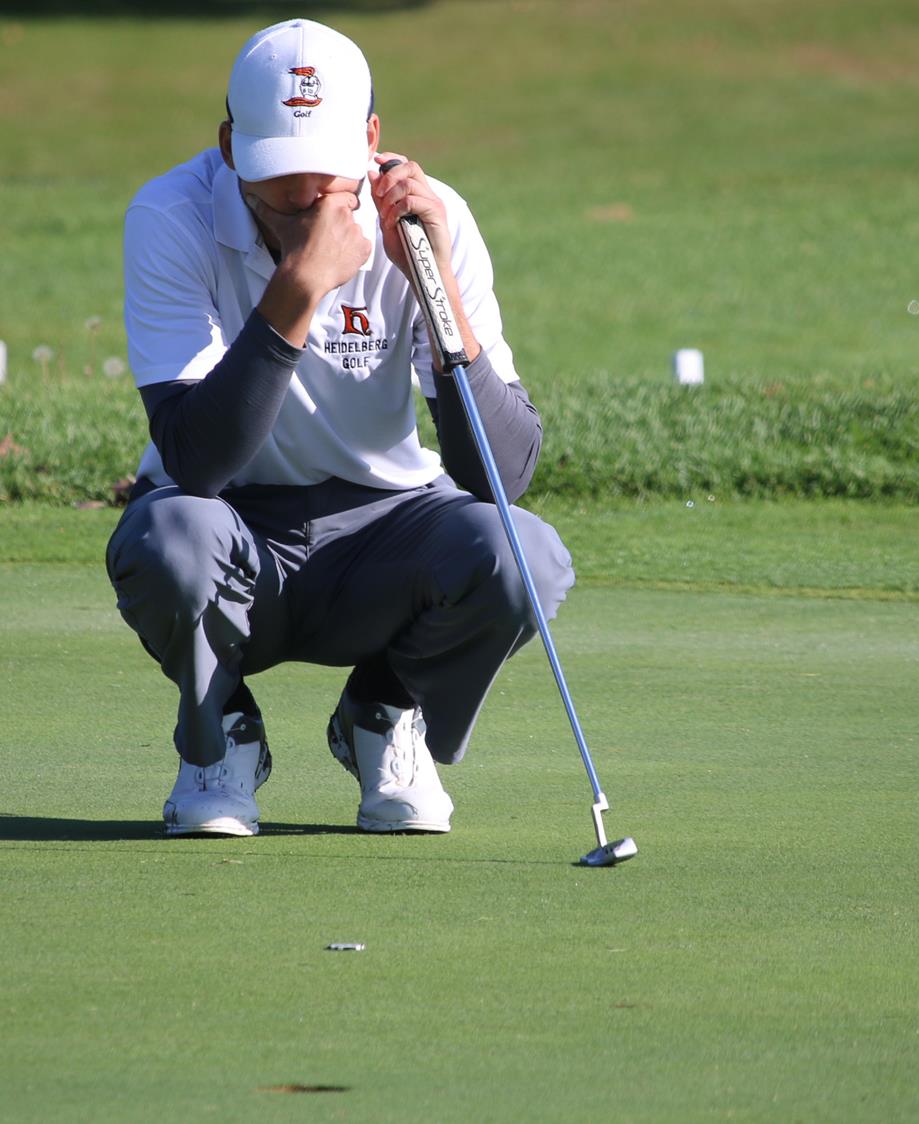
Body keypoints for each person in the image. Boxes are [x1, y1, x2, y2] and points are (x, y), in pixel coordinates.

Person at [106, 18, 573, 837]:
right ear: (228, 145)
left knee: (523, 555)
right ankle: (221, 739)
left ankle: (383, 713)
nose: (307, 197)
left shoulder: (432, 218)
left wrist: (435, 289)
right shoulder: (170, 216)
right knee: (166, 541)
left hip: (386, 529)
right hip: (230, 528)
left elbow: (502, 468)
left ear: (371, 139)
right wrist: (300, 287)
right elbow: (197, 459)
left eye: (327, 168)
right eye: (279, 174)